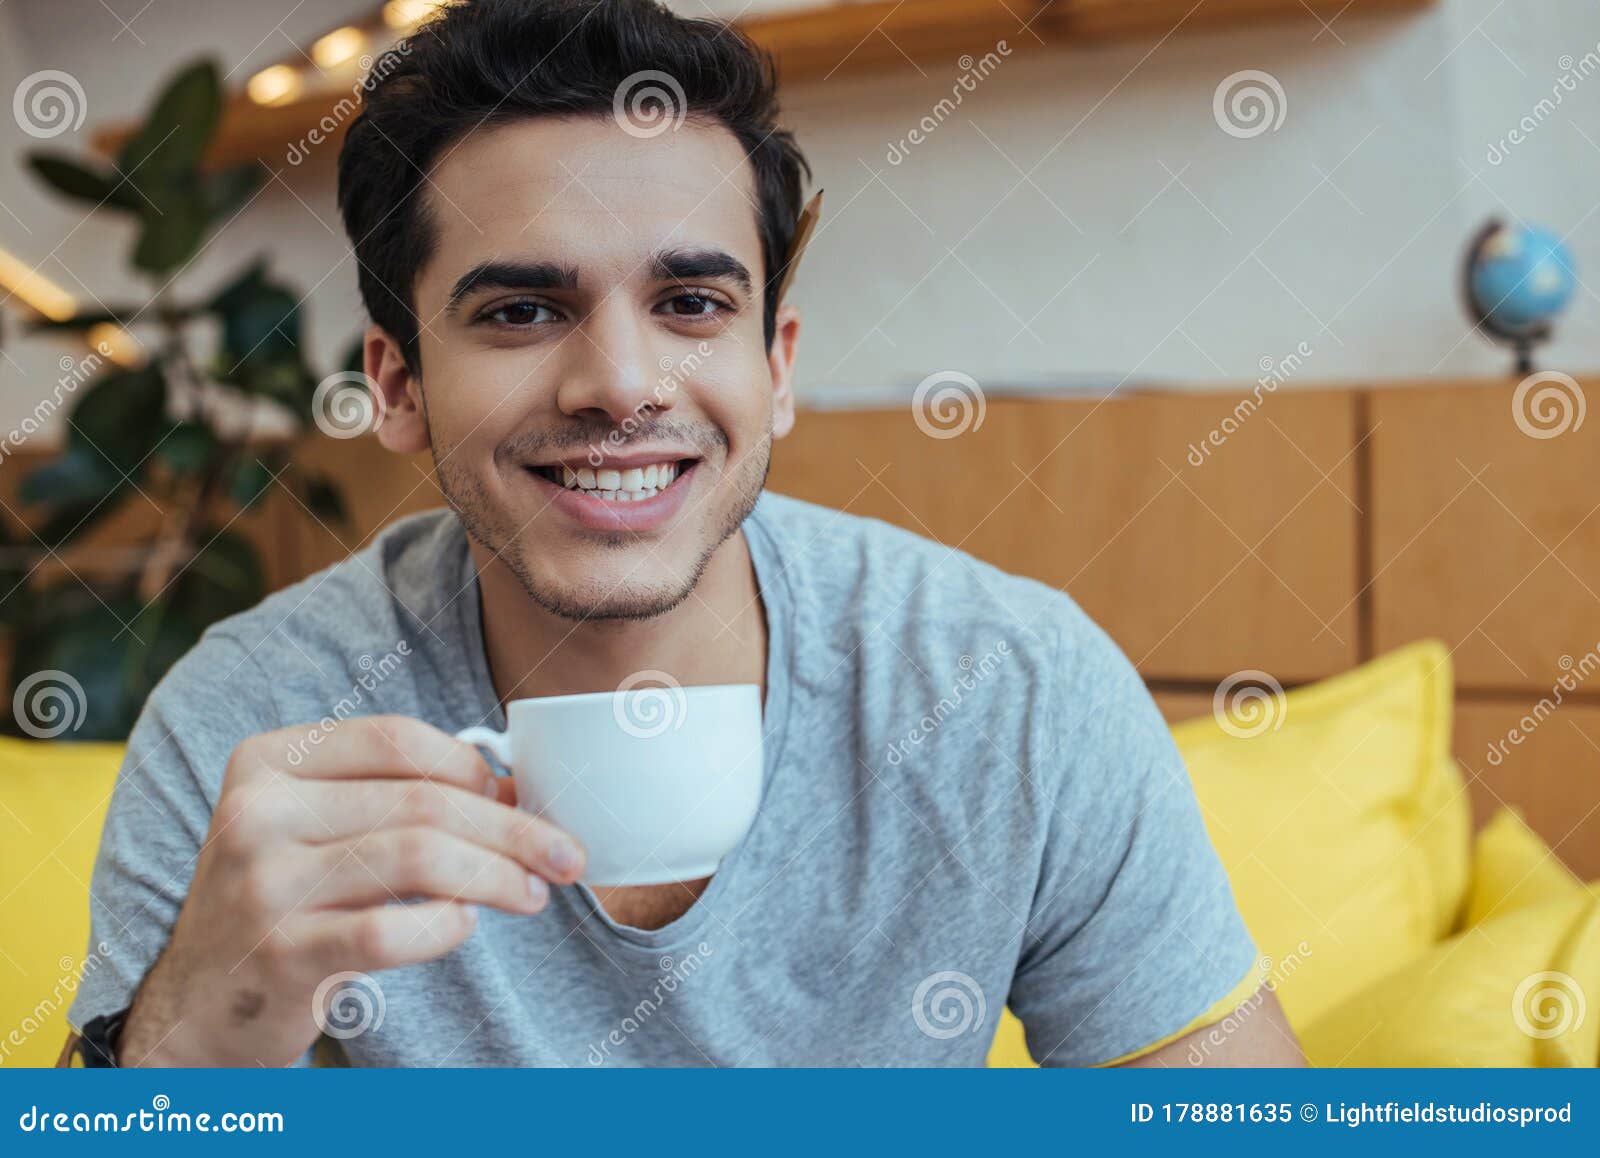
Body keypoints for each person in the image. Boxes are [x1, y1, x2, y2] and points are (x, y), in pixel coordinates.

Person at [64, 0, 1301, 1067]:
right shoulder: (257, 723)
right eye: (521, 309)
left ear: (777, 366)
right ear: (395, 386)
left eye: (692, 303)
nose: (618, 381)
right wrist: (193, 1030)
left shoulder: (1008, 687)